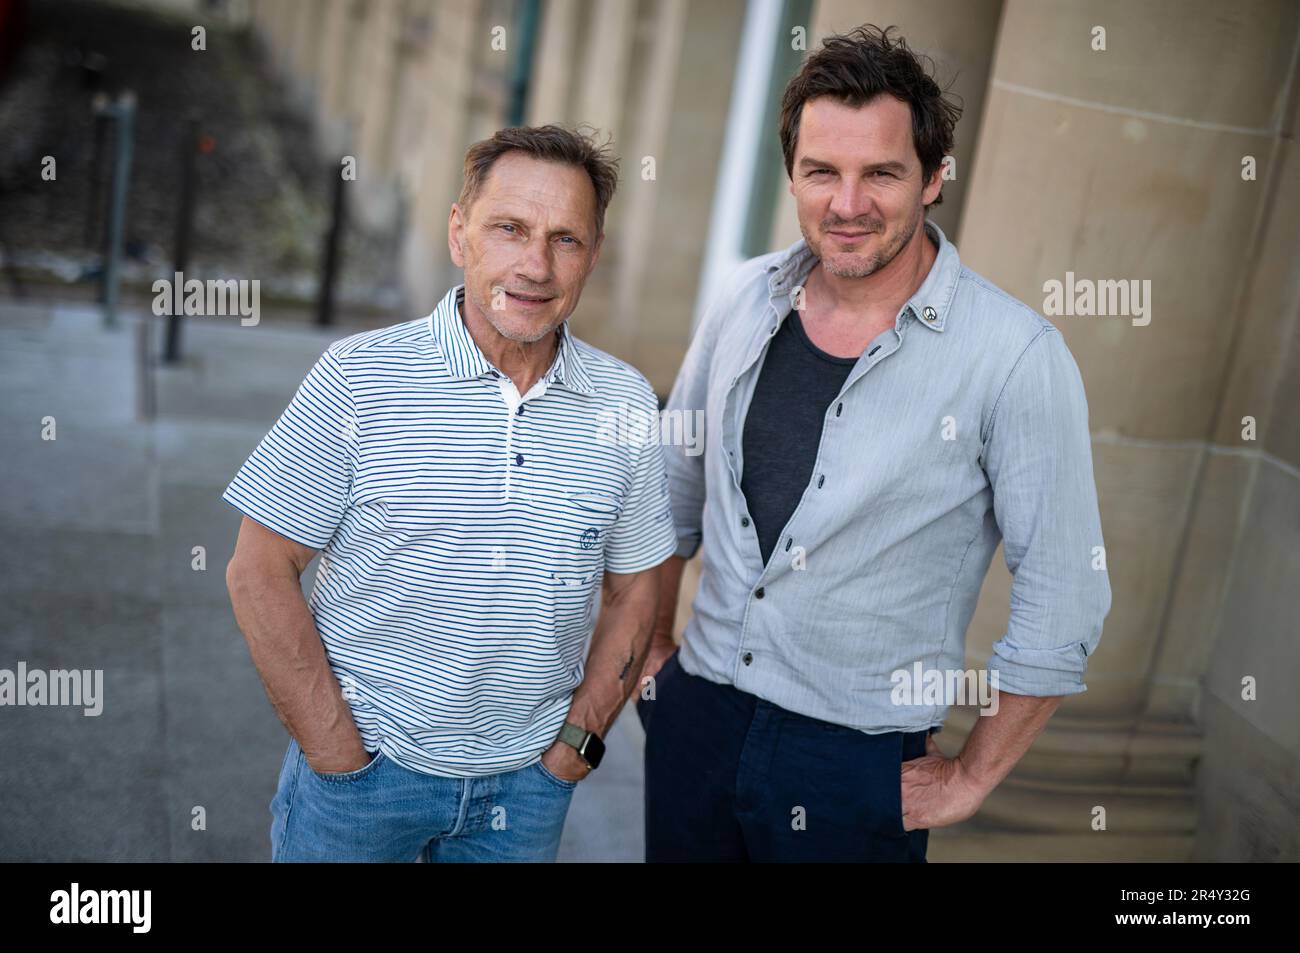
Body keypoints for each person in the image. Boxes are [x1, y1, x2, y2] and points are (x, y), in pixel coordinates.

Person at [638, 24, 1112, 862]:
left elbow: (1067, 597)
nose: (847, 203)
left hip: (853, 763)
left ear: (933, 179)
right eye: (823, 171)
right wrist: (655, 662)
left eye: (881, 173)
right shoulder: (746, 297)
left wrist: (968, 777)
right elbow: (673, 488)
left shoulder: (1014, 357)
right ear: (791, 174)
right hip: (697, 722)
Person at [224, 125, 676, 862]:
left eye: (566, 240)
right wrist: (336, 752)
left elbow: (635, 588)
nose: (535, 265)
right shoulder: (360, 378)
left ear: (594, 256)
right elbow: (257, 569)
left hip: (526, 791)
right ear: (459, 232)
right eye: (510, 228)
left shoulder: (624, 401)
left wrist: (576, 746)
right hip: (364, 782)